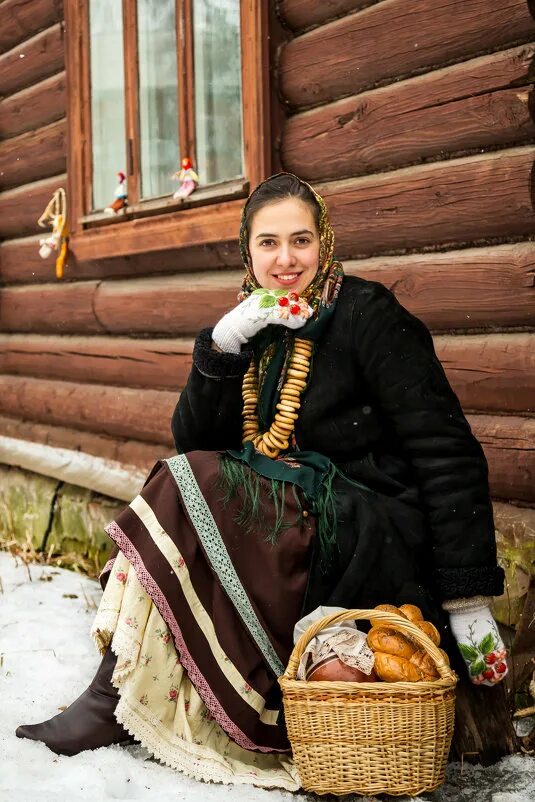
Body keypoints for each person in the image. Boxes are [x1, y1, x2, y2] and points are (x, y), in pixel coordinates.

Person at [16, 173, 507, 790]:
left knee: (187, 480)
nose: (285, 260)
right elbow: (194, 441)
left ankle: (105, 700)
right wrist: (223, 347)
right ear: (247, 252)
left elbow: (446, 449)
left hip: (368, 532)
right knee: (185, 477)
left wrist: (466, 597)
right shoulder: (256, 323)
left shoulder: (368, 314)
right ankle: (117, 693)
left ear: (324, 242)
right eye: (268, 243)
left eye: (300, 240)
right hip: (285, 522)